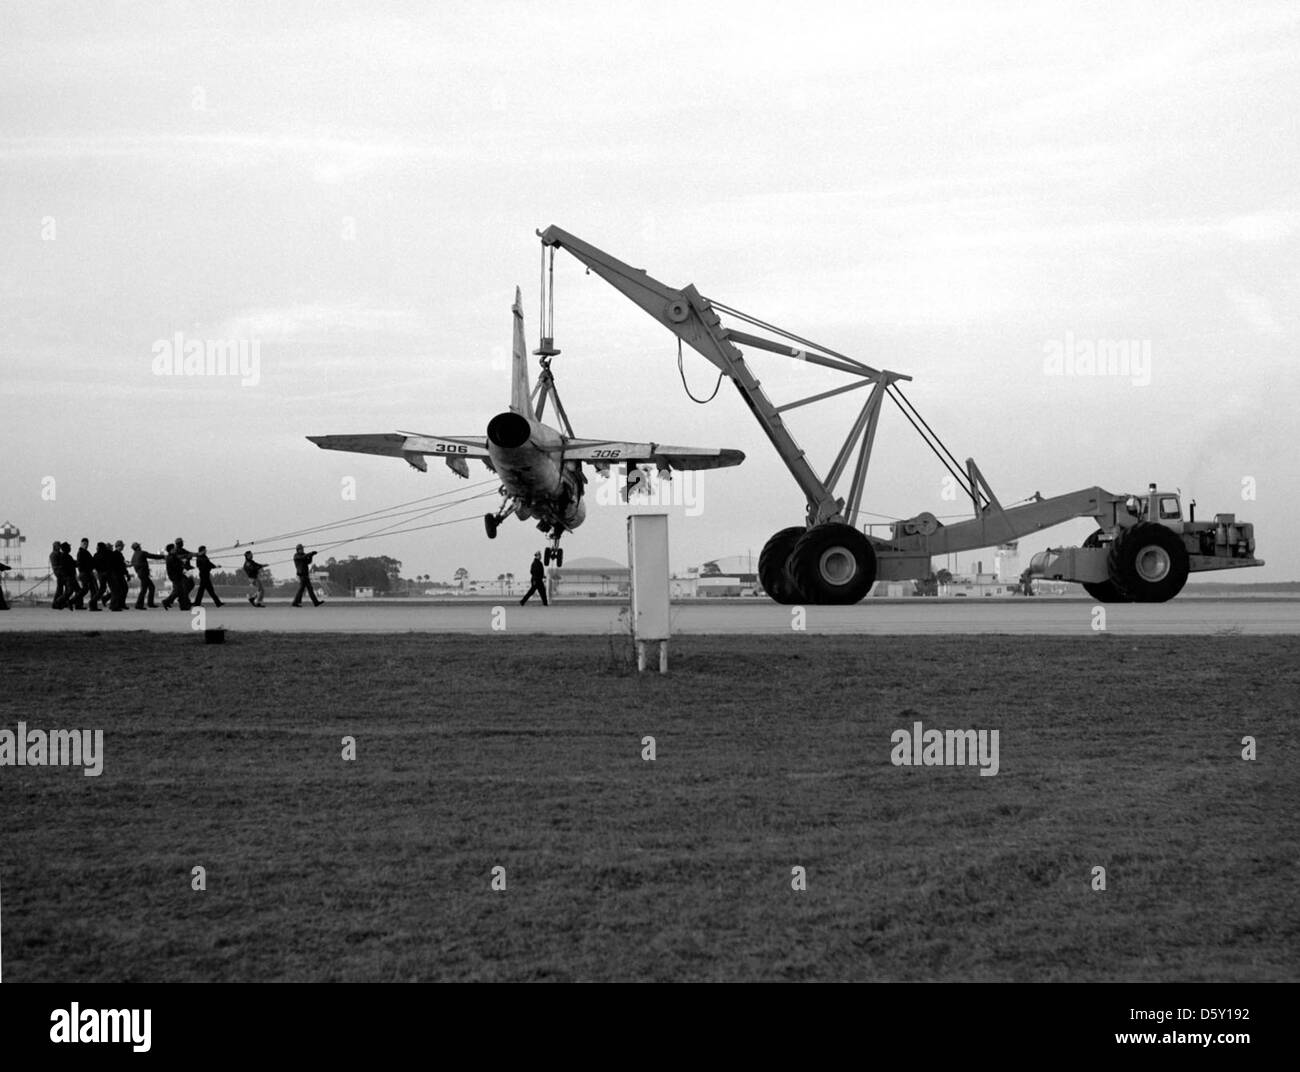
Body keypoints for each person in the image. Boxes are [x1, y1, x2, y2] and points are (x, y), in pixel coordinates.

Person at [130, 542, 165, 609]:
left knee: (150, 587)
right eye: (139, 546)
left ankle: (149, 603)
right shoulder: (142, 553)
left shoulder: (134, 556)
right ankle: (140, 605)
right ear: (138, 547)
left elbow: (134, 565)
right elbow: (153, 556)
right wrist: (163, 556)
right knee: (145, 589)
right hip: (144, 574)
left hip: (140, 574)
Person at [160, 543, 192, 610]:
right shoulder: (171, 558)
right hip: (176, 576)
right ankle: (168, 602)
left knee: (182, 589)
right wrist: (184, 563)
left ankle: (169, 602)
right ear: (171, 550)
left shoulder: (173, 556)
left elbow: (179, 564)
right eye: (174, 548)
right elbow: (177, 566)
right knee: (180, 590)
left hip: (178, 575)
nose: (175, 549)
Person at [76, 538, 101, 611]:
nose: (86, 545)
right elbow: (83, 564)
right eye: (84, 544)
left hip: (86, 573)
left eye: (87, 544)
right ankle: (92, 606)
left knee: (87, 589)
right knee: (92, 589)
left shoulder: (84, 552)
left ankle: (77, 603)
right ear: (81, 544)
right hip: (86, 573)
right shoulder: (82, 553)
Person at [107, 540, 130, 611]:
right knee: (120, 590)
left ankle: (119, 604)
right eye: (122, 546)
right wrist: (126, 573)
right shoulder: (116, 554)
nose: (123, 547)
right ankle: (116, 605)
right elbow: (121, 566)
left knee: (122, 589)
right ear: (119, 546)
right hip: (117, 575)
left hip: (118, 574)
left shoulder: (117, 554)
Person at [58, 542, 80, 610]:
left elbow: (73, 563)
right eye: (69, 547)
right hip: (69, 577)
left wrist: (77, 563)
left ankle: (69, 603)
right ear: (66, 548)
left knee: (76, 591)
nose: (70, 548)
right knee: (70, 591)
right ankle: (59, 602)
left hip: (70, 576)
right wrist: (78, 563)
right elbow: (72, 564)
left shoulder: (66, 556)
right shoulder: (65, 556)